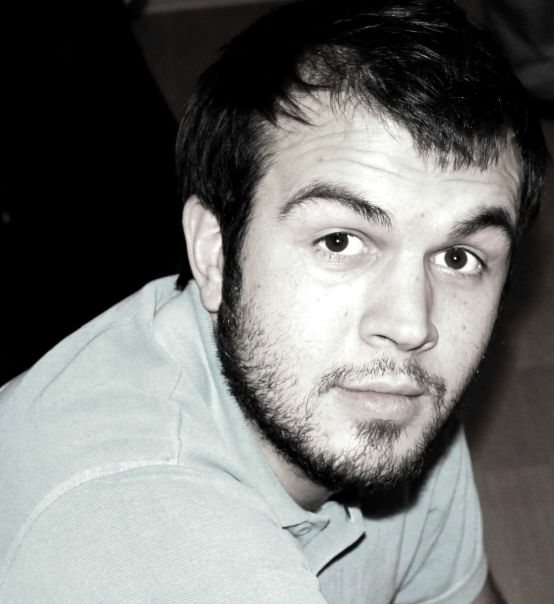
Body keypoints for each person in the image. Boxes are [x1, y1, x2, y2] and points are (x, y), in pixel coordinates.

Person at [0, 0, 547, 602]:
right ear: (214, 252)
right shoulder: (135, 534)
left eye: (458, 258)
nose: (412, 323)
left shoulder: (378, 390)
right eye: (340, 241)